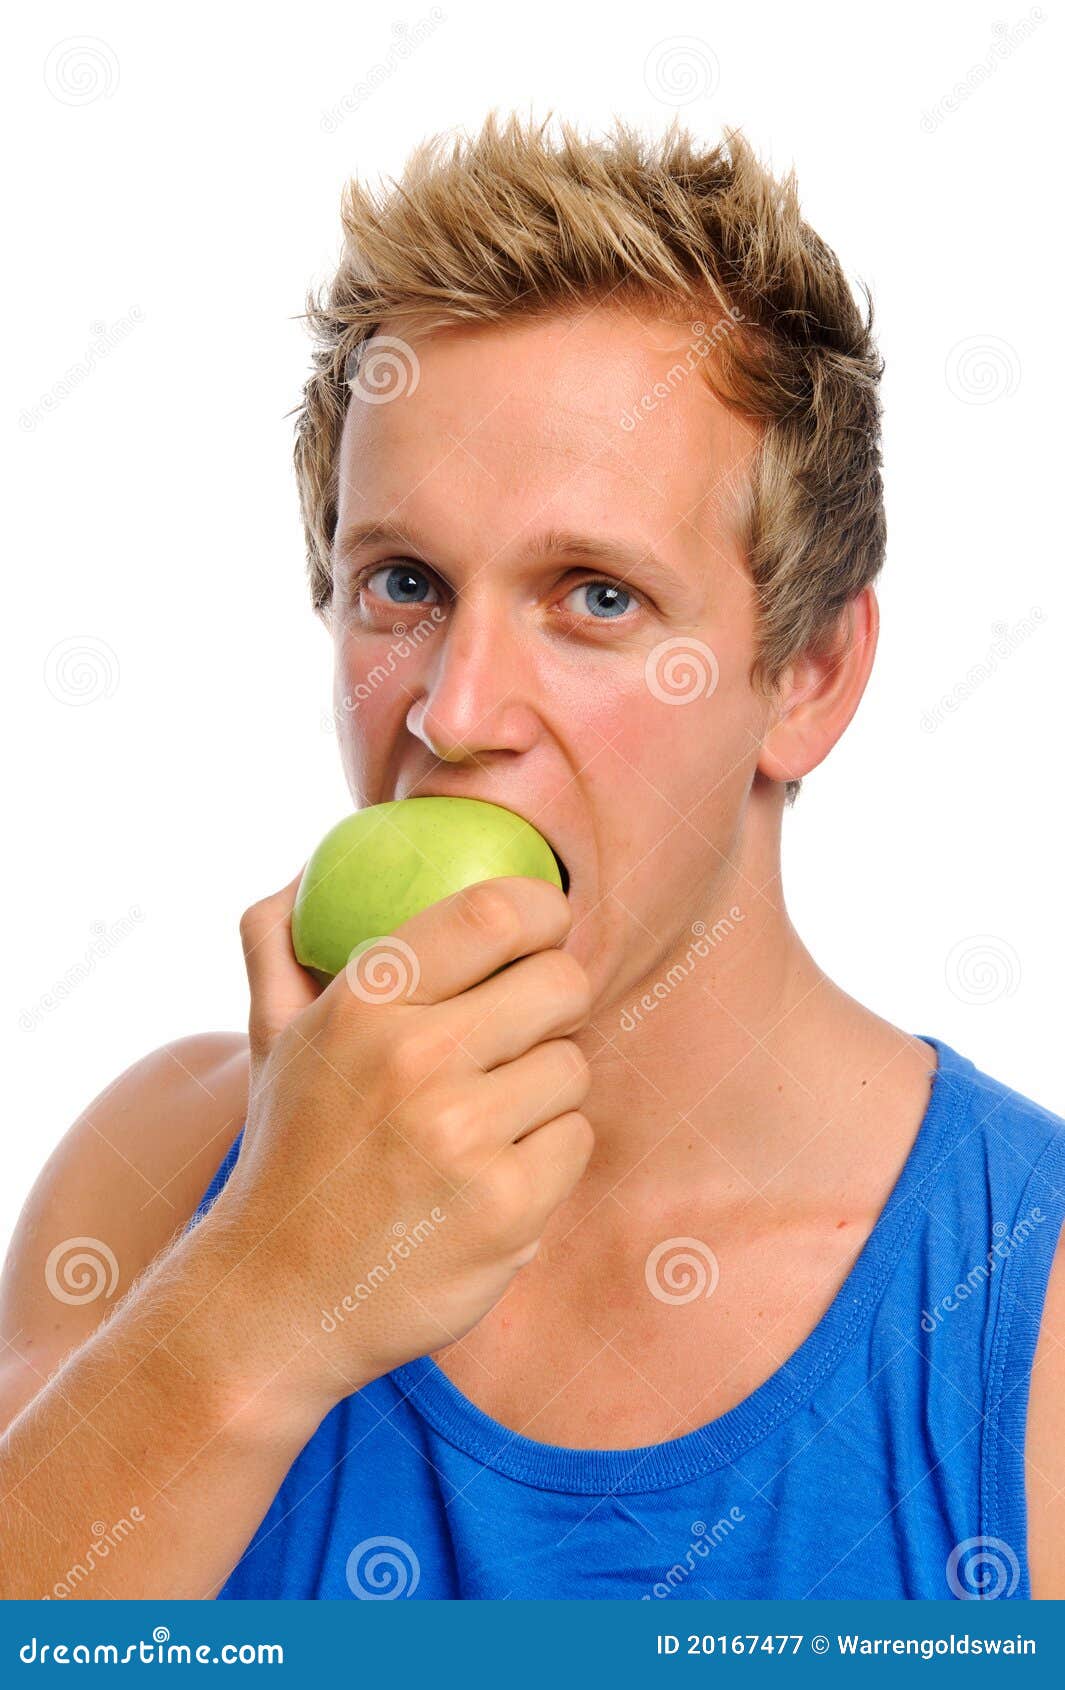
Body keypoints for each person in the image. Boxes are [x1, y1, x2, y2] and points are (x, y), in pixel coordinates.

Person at [2, 114, 1063, 1603]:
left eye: (596, 596)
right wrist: (258, 1292)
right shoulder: (164, 1174)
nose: (453, 709)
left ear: (807, 675)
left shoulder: (1026, 1301)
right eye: (404, 584)